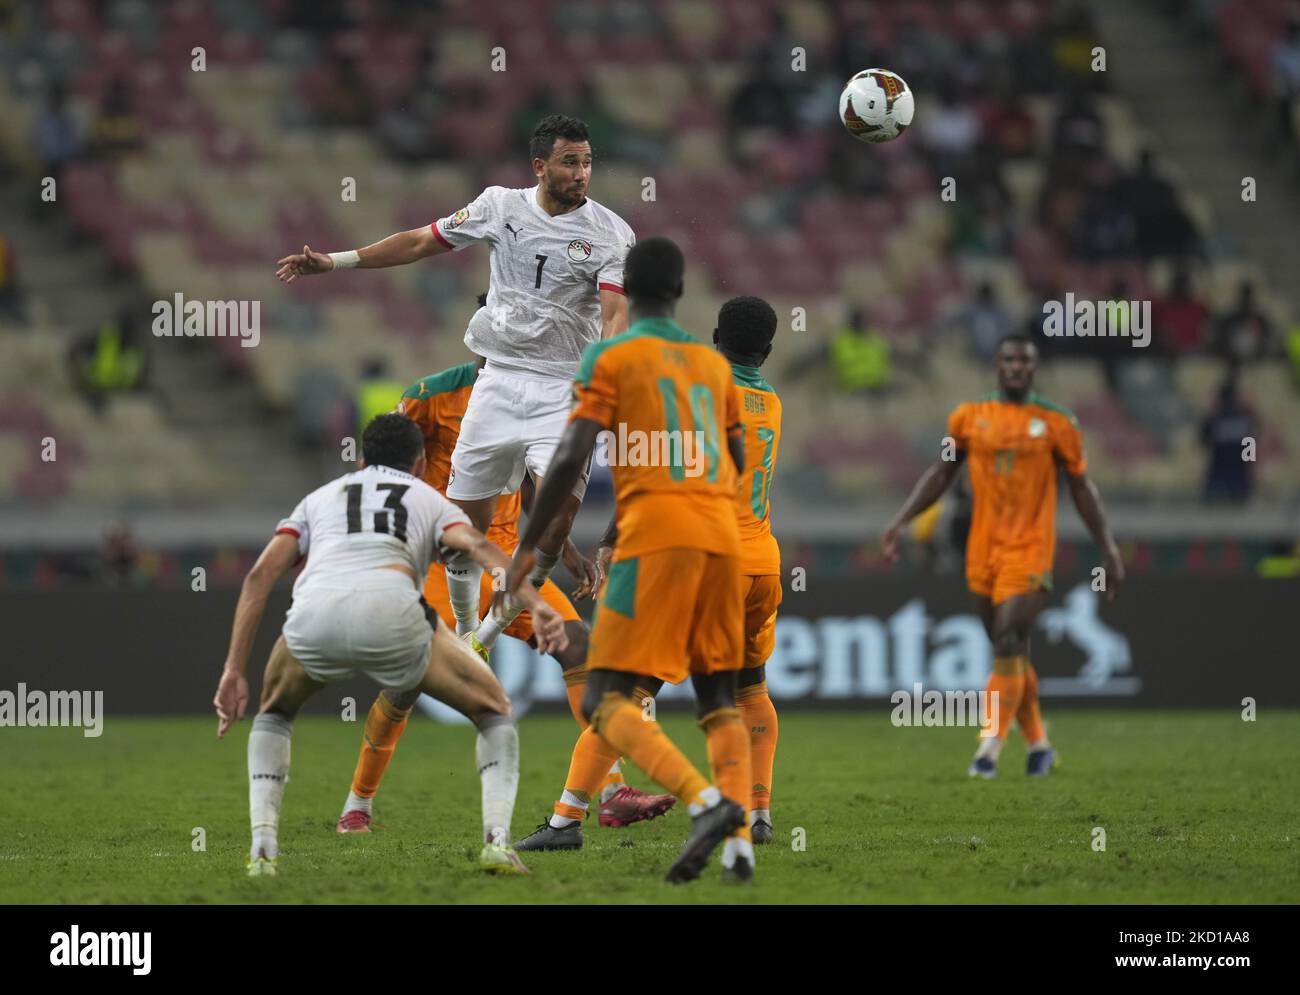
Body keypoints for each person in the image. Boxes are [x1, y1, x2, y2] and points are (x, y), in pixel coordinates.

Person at [275, 115, 634, 652]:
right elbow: (422, 240)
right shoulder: (498, 206)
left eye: (586, 162)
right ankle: (468, 632)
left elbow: (614, 314)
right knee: (466, 530)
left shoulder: (611, 232)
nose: (582, 173)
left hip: (563, 389)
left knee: (557, 524)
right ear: (540, 166)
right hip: (498, 379)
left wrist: (605, 376)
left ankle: (483, 636)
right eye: (569, 162)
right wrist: (337, 262)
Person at [499, 237, 753, 884]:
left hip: (657, 540)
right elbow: (736, 461)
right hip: (724, 537)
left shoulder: (609, 355)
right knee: (720, 698)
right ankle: (740, 848)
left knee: (609, 696)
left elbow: (568, 456)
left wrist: (531, 549)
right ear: (681, 288)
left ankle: (706, 802)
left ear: (623, 287)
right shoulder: (712, 364)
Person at [213, 414, 567, 877]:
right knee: (495, 710)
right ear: (420, 465)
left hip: (315, 614)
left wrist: (233, 670)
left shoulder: (317, 499)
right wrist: (536, 603)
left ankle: (262, 849)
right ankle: (497, 843)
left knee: (275, 714)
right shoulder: (428, 498)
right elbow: (479, 548)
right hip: (393, 612)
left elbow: (259, 577)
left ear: (360, 461)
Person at [335, 358, 673, 834]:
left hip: (510, 558)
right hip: (442, 556)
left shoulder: (541, 392)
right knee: (409, 678)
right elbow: (381, 465)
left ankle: (612, 790)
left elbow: (538, 480)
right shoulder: (433, 394)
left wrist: (567, 550)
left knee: (580, 647)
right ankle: (358, 804)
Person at [882, 335, 1125, 778]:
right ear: (997, 366)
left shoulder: (1058, 423)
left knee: (1010, 638)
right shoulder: (969, 418)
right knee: (1009, 651)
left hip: (1030, 548)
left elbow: (1082, 488)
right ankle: (1040, 746)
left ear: (1034, 369)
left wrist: (1108, 549)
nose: (1016, 367)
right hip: (982, 551)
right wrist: (902, 520)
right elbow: (941, 472)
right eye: (1009, 359)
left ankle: (988, 749)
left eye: (1025, 361)